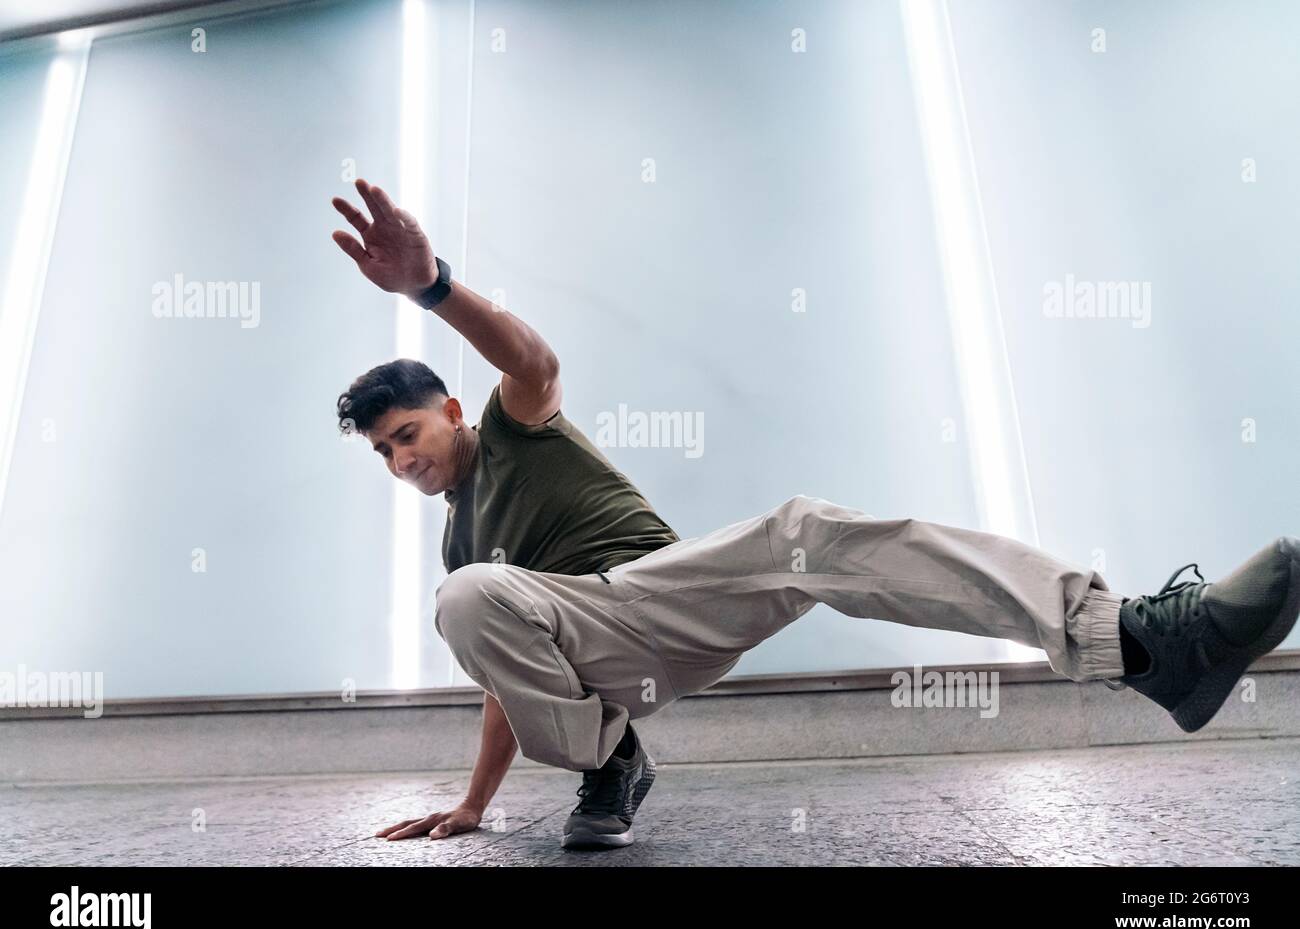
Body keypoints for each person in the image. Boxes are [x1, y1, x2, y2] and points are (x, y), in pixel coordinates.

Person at [330, 178, 1300, 851]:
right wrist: (472, 802)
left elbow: (530, 358)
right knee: (462, 596)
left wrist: (432, 286)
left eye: (407, 430)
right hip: (604, 668)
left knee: (804, 532)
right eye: (383, 450)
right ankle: (611, 763)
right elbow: (509, 682)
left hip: (667, 602)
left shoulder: (509, 422)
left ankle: (1136, 640)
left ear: (449, 409)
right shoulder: (463, 549)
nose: (401, 455)